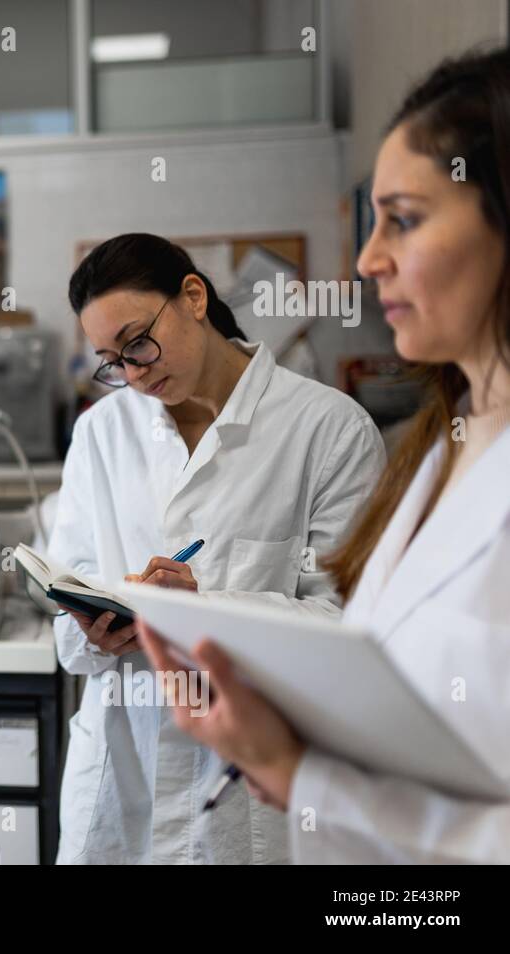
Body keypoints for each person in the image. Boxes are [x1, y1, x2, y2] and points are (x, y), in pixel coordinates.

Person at [140, 46, 510, 863]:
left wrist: (300, 773)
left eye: (404, 219)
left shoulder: (339, 430)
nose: (368, 259)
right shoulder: (441, 448)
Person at [53, 233, 385, 863]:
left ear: (194, 297)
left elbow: (350, 628)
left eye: (138, 343)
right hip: (123, 780)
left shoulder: (329, 430)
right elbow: (67, 628)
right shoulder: (100, 432)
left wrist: (205, 610)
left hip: (249, 795)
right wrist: (92, 629)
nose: (133, 372)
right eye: (111, 360)